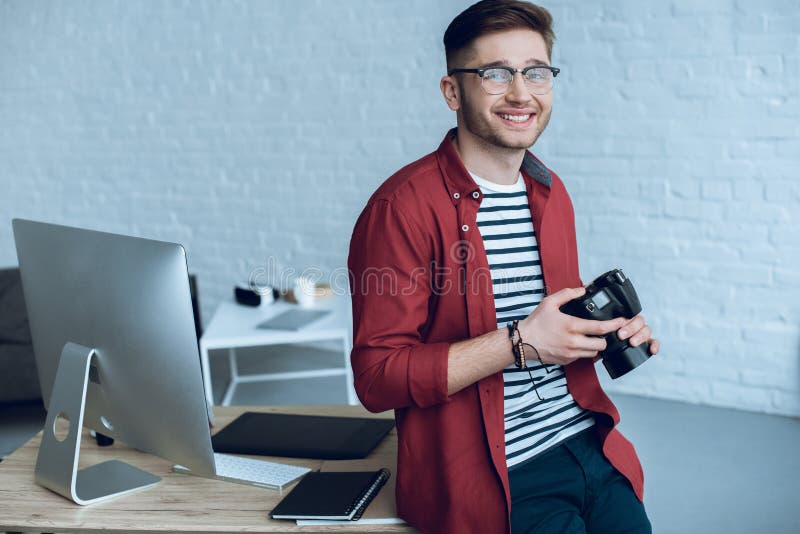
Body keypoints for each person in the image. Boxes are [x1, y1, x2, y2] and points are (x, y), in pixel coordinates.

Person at [347, 1, 660, 532]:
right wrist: (516, 345)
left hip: (588, 438)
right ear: (452, 91)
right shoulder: (399, 210)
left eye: (536, 72)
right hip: (498, 475)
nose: (521, 93)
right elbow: (377, 379)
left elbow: (550, 323)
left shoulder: (550, 190)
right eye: (496, 74)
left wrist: (601, 331)